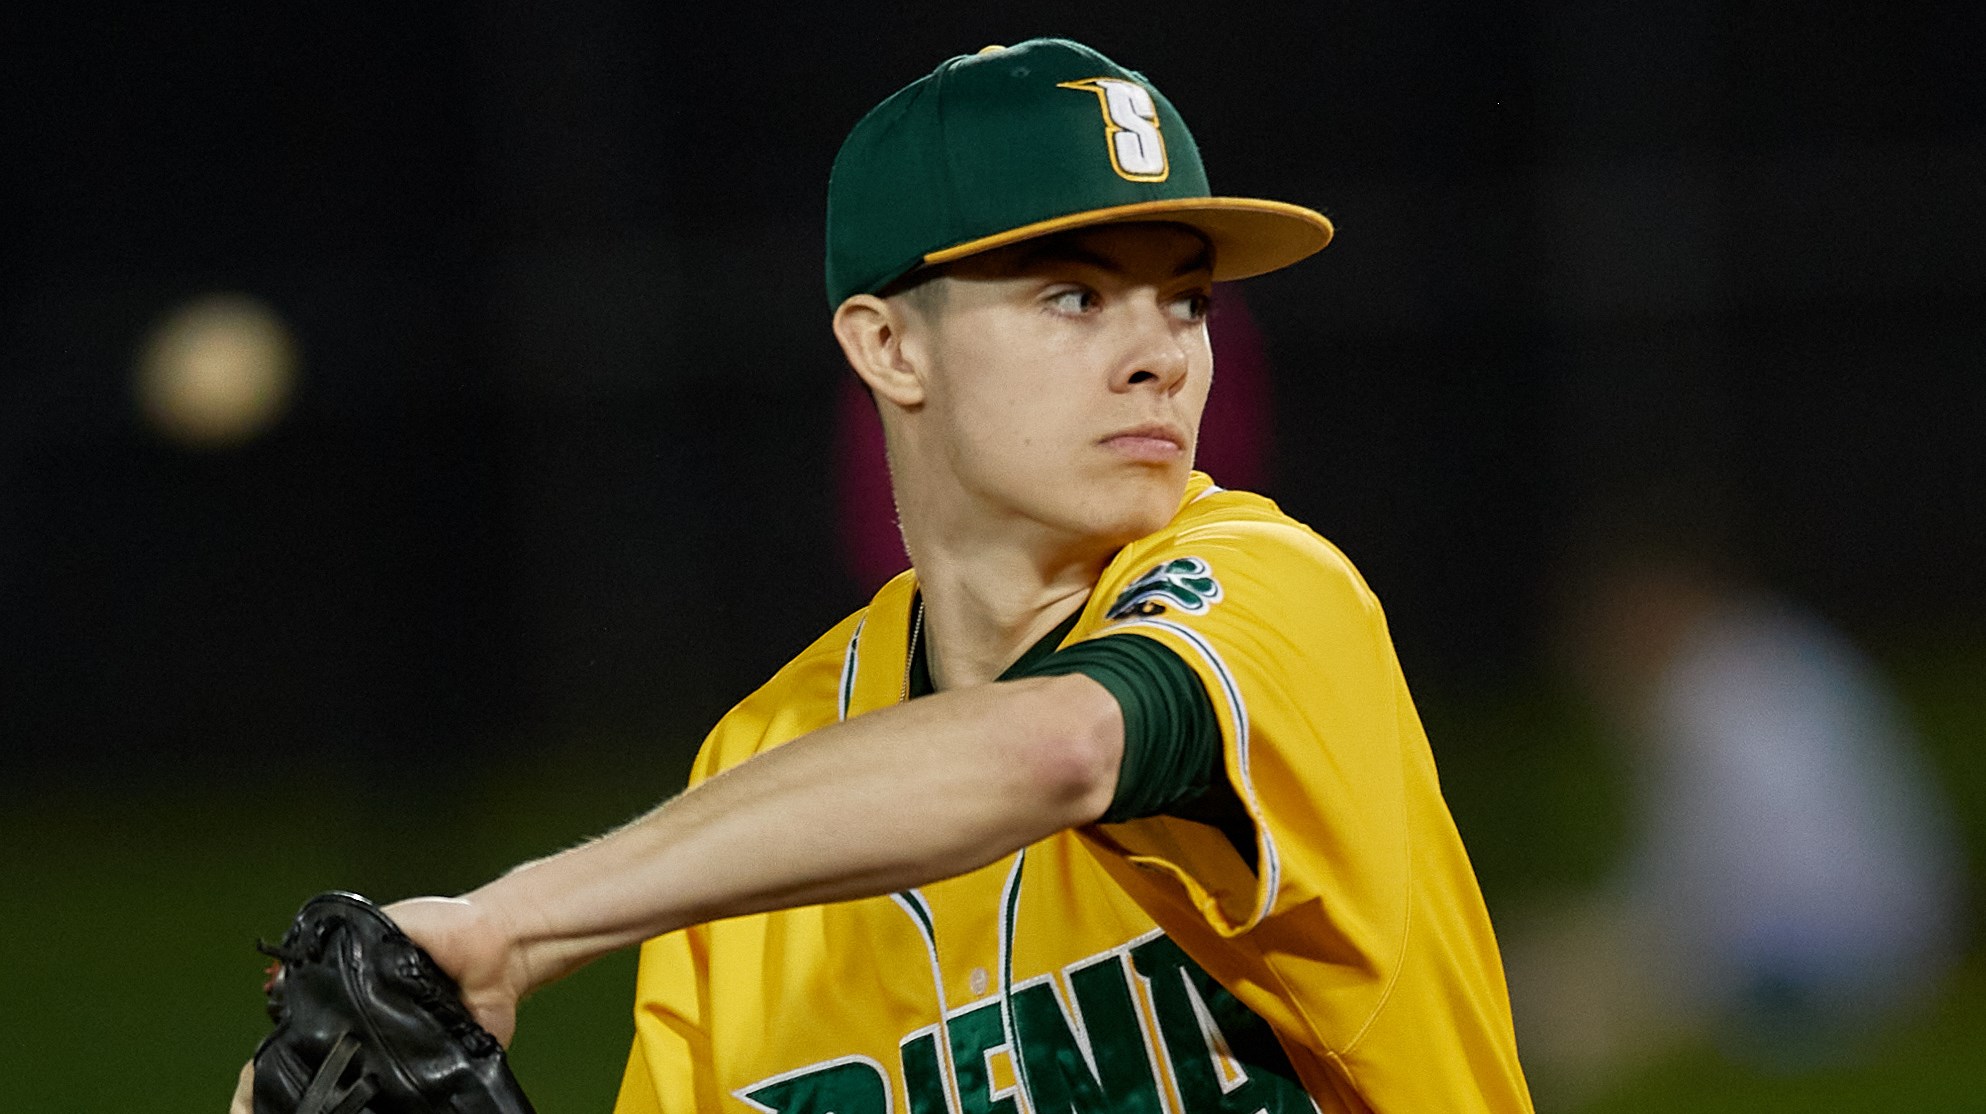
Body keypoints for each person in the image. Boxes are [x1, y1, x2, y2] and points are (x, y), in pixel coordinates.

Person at [234, 38, 1531, 1113]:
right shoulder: (754, 776)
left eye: (1182, 297)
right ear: (887, 346)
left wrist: (518, 925)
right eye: (1074, 296)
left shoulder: (1276, 599)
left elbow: (1062, 749)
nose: (1161, 355)